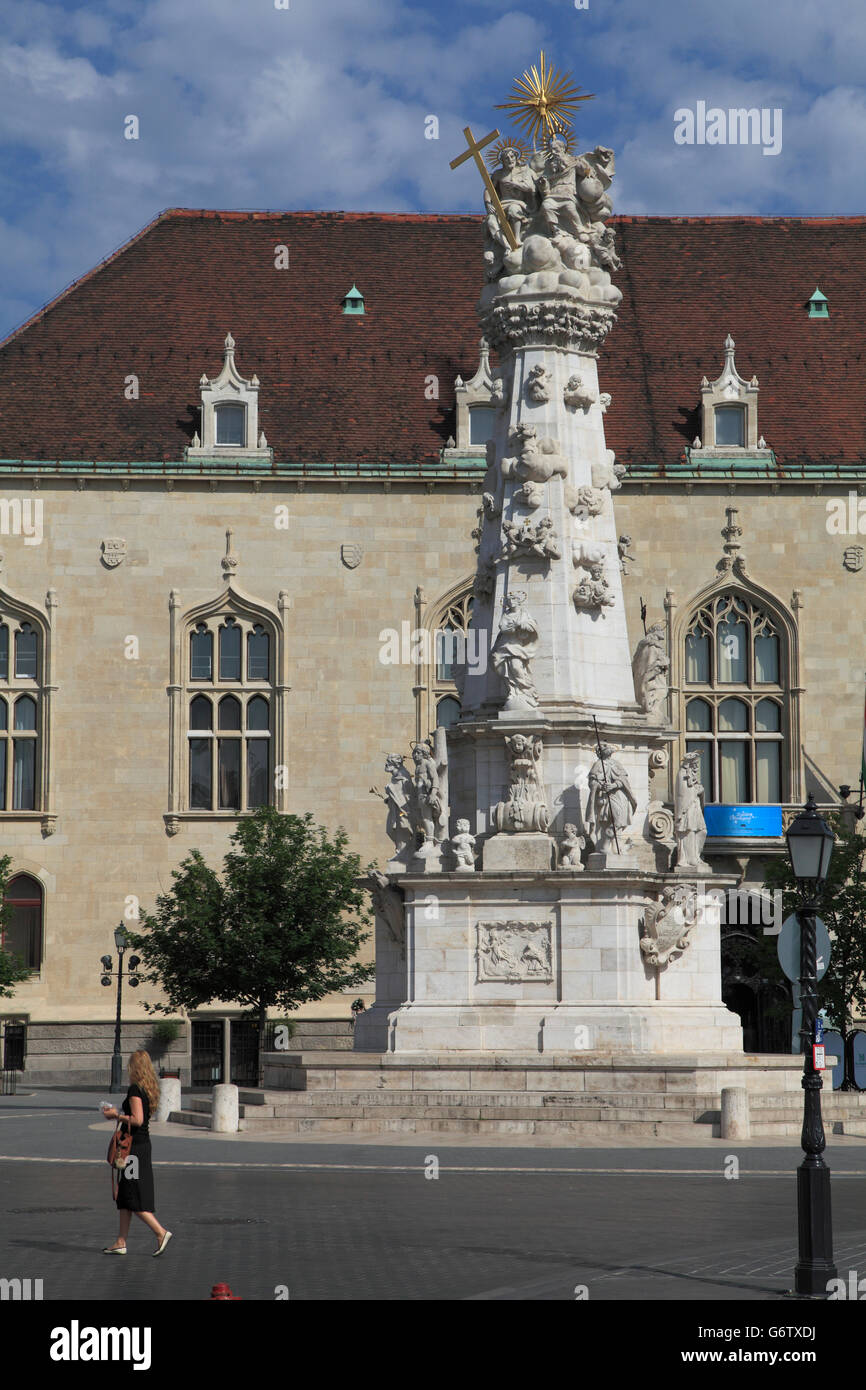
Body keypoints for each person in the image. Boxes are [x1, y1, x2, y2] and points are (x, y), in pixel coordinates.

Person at [102, 1050, 172, 1256]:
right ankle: (120, 1241)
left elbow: (138, 1120)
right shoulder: (147, 1088)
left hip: (132, 1150)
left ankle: (160, 1232)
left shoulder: (134, 1089)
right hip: (142, 1145)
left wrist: (116, 1115)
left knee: (132, 1194)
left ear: (134, 1067)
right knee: (125, 1194)